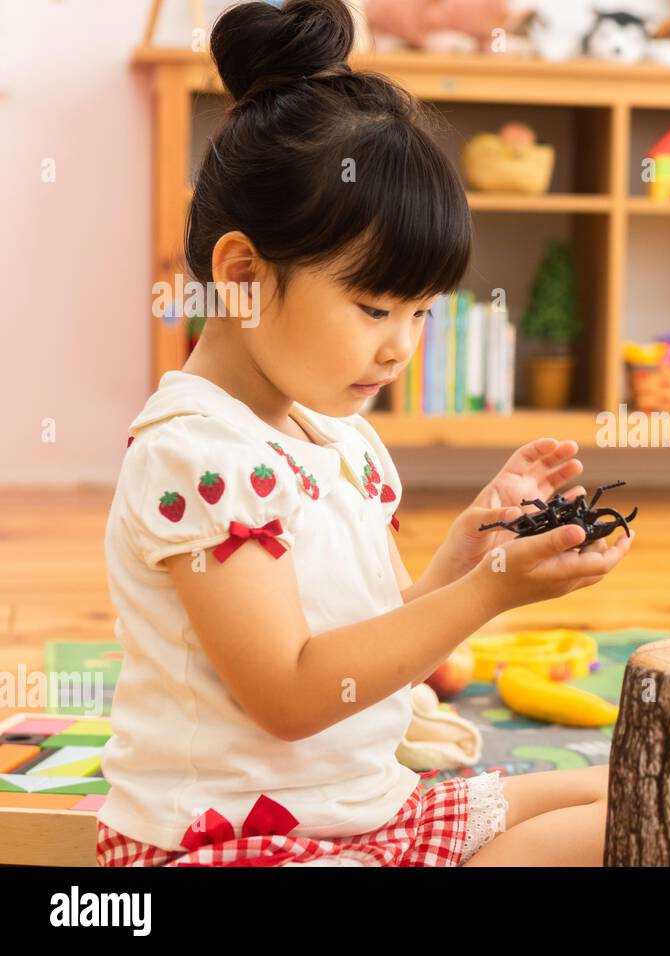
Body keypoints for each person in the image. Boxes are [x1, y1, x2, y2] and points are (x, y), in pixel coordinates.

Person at [97, 0, 631, 867]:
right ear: (240, 275)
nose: (400, 347)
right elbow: (294, 695)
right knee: (600, 837)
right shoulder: (198, 458)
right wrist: (489, 592)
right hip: (237, 842)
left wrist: (467, 554)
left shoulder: (337, 439)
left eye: (421, 313)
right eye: (375, 307)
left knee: (633, 790)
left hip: (364, 812)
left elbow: (361, 653)